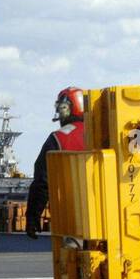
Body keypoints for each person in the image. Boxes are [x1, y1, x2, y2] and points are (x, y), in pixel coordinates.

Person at [25, 87, 86, 238]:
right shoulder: (104, 132)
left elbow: (42, 182)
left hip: (73, 217)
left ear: (66, 108)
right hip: (109, 215)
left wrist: (33, 216)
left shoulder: (58, 138)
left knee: (73, 257)